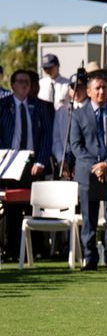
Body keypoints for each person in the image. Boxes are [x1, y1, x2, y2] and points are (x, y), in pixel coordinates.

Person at [69, 74, 107, 271]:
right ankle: (90, 259)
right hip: (88, 173)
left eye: (104, 87)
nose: (101, 91)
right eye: (97, 88)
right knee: (89, 217)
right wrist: (96, 166)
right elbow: (76, 146)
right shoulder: (78, 114)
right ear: (88, 92)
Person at [0, 69, 52, 259]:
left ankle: (37, 249)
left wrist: (41, 160)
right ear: (12, 85)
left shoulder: (39, 107)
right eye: (20, 81)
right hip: (9, 162)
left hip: (32, 162)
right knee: (12, 207)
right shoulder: (3, 105)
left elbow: (47, 134)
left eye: (27, 82)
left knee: (35, 206)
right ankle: (12, 250)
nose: (24, 85)